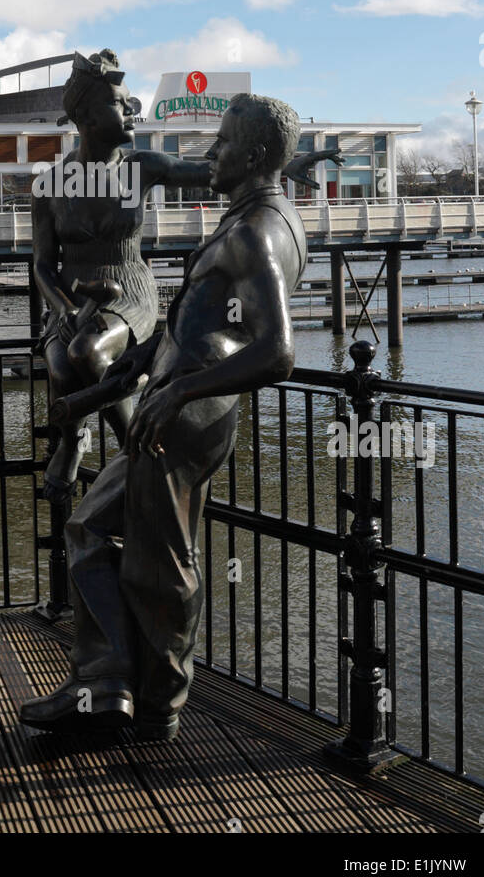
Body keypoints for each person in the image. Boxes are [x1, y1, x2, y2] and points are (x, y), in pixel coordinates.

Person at [20, 92, 307, 741]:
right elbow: (202, 322)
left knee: (164, 560)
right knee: (92, 527)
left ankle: (153, 704)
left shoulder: (255, 231)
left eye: (225, 141)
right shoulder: (256, 219)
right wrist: (143, 361)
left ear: (256, 154)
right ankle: (108, 682)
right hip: (169, 407)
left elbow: (276, 350)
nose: (212, 153)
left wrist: (177, 392)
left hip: (182, 417)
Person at [33, 49, 213, 502]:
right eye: (120, 103)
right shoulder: (49, 185)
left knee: (88, 353)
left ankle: (133, 441)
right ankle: (81, 438)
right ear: (87, 116)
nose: (133, 110)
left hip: (127, 286)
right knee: (60, 363)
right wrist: (67, 309)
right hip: (69, 297)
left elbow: (210, 174)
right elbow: (42, 265)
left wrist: (271, 164)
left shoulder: (141, 167)